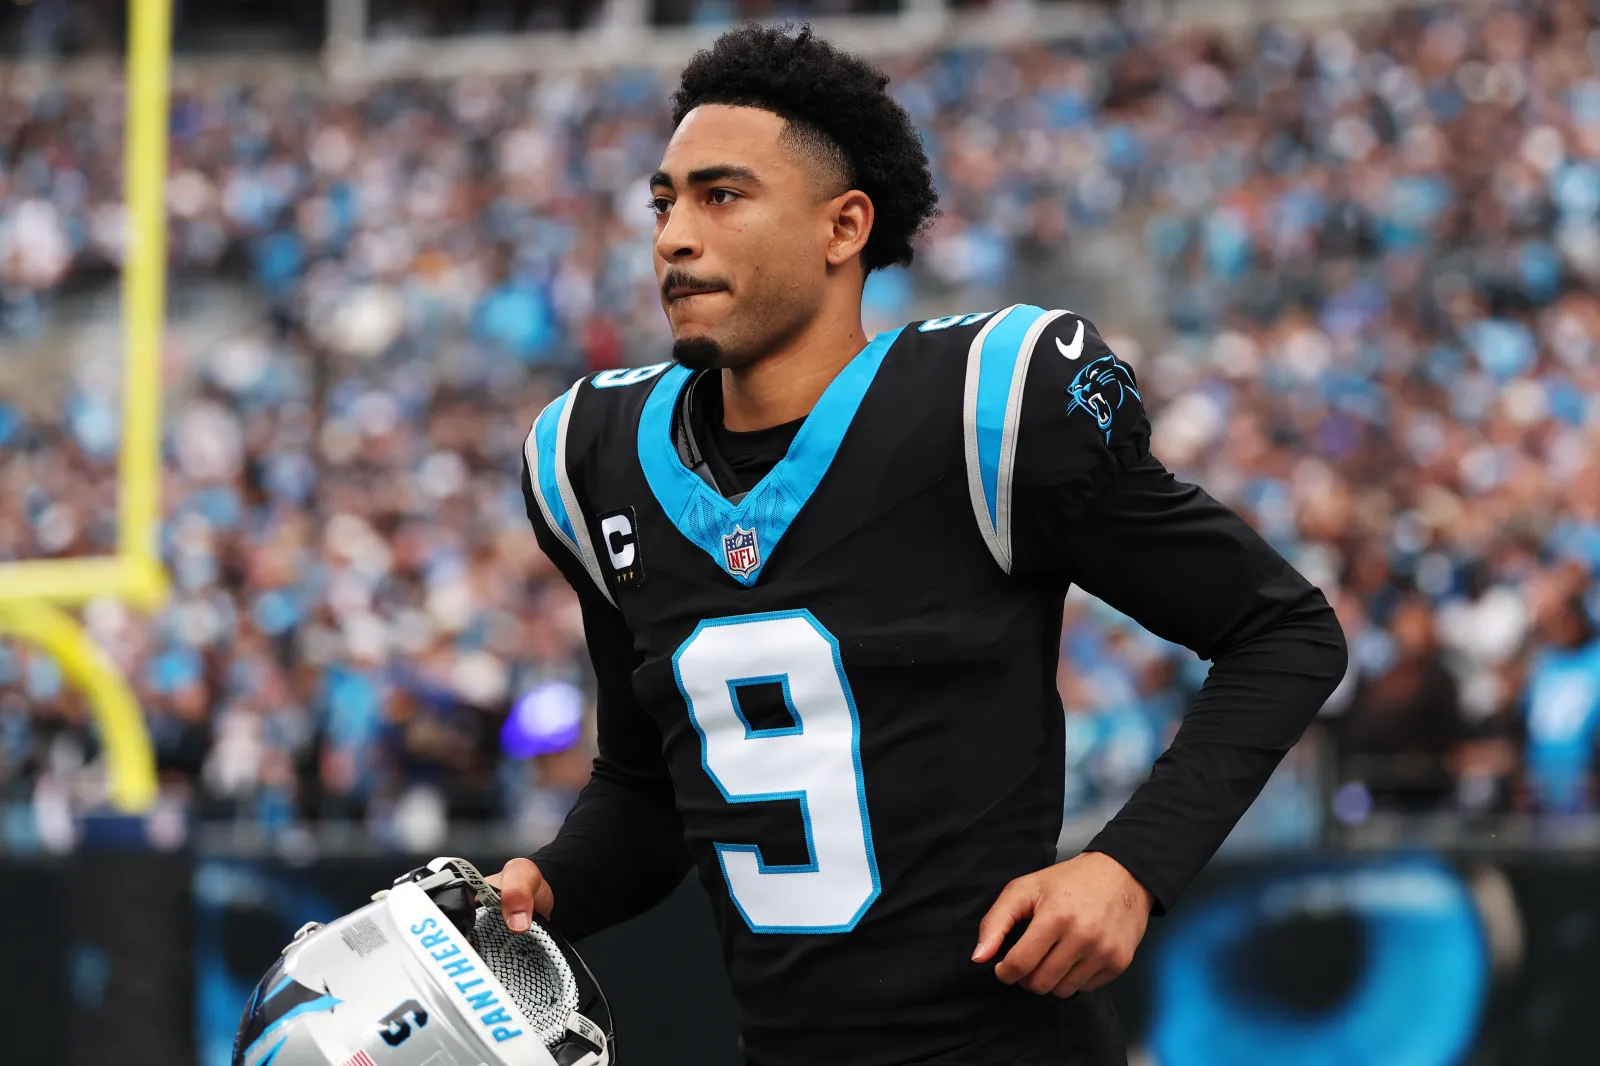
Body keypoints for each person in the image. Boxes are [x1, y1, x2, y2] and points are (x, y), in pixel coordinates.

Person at [490, 24, 1348, 1066]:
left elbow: (1283, 631)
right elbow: (648, 788)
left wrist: (1130, 866)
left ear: (843, 226)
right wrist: (550, 884)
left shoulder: (982, 410)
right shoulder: (593, 458)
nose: (674, 237)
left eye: (722, 196)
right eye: (663, 202)